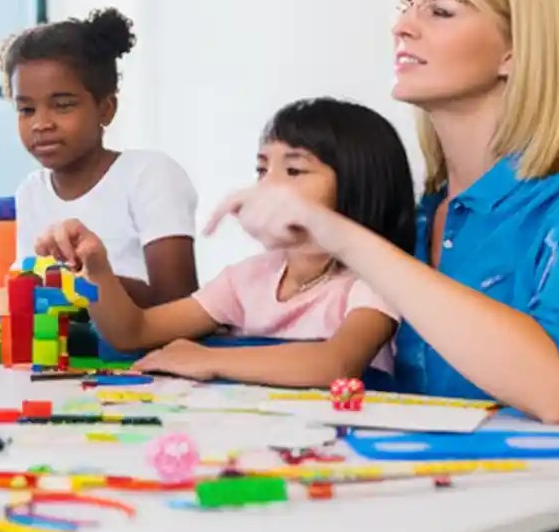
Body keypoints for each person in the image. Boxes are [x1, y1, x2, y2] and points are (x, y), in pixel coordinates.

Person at [206, 0, 559, 424]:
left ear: (515, 50)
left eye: (441, 10)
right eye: (405, 6)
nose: (402, 27)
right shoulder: (422, 215)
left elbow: (556, 391)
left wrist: (337, 232)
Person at [36, 98, 415, 387]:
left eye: (294, 169)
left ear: (359, 184)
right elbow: (133, 331)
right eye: (262, 169)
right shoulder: (248, 279)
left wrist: (210, 359)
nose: (268, 184)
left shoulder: (375, 282)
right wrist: (96, 267)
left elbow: (336, 364)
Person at [0, 7, 199, 308]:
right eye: (26, 109)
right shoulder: (30, 192)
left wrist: (86, 278)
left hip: (146, 339)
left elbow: (178, 302)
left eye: (62, 105)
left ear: (106, 109)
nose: (41, 124)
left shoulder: (149, 175)